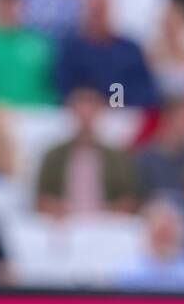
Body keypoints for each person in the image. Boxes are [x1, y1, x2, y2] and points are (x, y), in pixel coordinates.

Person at [35, 87, 139, 216]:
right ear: (71, 110)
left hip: (108, 227)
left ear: (100, 111)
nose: (85, 113)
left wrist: (103, 212)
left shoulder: (116, 157)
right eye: (80, 106)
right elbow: (41, 199)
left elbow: (130, 201)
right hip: (64, 226)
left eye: (91, 106)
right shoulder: (54, 156)